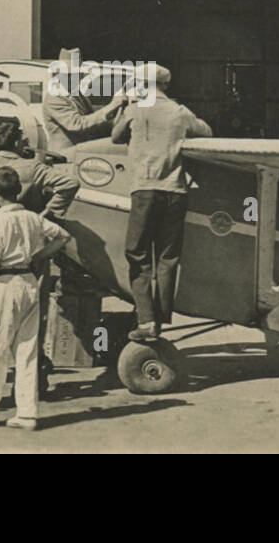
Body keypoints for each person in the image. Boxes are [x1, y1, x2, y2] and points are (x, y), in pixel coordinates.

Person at [111, 63, 212, 341]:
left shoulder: (135, 109)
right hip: (176, 191)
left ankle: (146, 321)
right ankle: (161, 316)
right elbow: (207, 133)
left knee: (138, 255)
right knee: (168, 258)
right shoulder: (180, 112)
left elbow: (115, 136)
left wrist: (124, 105)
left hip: (144, 191)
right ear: (166, 86)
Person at [0, 167, 71, 429]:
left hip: (5, 283)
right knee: (27, 349)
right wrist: (38, 256)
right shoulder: (32, 217)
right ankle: (27, 412)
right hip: (30, 282)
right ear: (17, 190)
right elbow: (63, 236)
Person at [0, 121, 80, 219]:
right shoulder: (33, 167)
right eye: (23, 140)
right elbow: (71, 182)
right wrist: (47, 213)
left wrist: (0, 137)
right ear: (17, 143)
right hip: (26, 223)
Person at [43, 49, 127, 152]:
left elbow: (91, 115)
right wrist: (111, 106)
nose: (79, 78)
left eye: (79, 74)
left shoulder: (76, 94)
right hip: (65, 154)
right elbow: (78, 124)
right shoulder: (55, 98)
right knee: (114, 147)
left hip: (81, 149)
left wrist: (115, 113)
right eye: (72, 74)